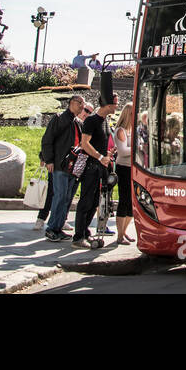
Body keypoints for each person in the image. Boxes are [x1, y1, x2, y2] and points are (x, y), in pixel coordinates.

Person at [71, 92, 117, 251]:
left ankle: (84, 231)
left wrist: (107, 155)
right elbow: (85, 143)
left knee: (95, 201)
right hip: (92, 166)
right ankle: (78, 237)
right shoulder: (92, 121)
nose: (116, 106)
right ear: (107, 104)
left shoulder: (104, 121)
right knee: (85, 201)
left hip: (101, 167)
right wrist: (99, 157)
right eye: (115, 103)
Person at [43, 94, 86, 241]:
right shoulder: (60, 118)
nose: (82, 106)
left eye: (83, 104)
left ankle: (59, 227)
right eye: (79, 103)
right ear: (71, 103)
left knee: (67, 198)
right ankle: (52, 228)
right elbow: (47, 140)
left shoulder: (78, 123)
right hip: (60, 166)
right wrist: (48, 160)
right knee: (60, 196)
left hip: (73, 167)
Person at [112, 102, 134, 246]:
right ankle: (119, 235)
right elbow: (122, 151)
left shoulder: (131, 130)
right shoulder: (121, 130)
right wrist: (137, 149)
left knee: (131, 202)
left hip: (131, 168)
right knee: (124, 200)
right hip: (123, 168)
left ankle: (124, 231)